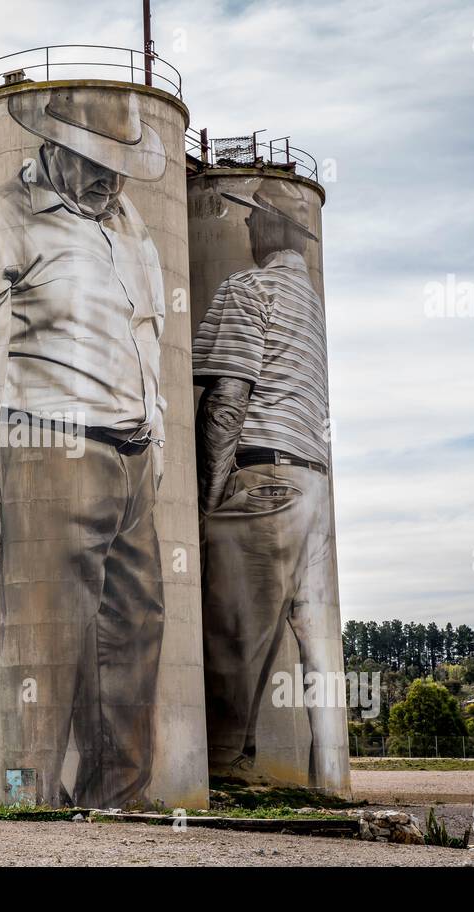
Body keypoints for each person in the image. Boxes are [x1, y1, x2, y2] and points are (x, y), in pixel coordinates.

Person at [0, 88, 169, 809]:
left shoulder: (127, 221)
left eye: (122, 164)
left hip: (132, 457)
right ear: (56, 146)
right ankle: (28, 812)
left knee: (134, 640)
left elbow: (147, 331)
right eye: (99, 162)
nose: (112, 178)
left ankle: (118, 810)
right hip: (49, 447)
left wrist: (159, 435)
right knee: (42, 656)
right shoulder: (5, 218)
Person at [193, 184, 348, 793]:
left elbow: (228, 396)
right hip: (315, 482)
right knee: (315, 638)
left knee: (232, 624)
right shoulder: (310, 302)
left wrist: (210, 496)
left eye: (254, 214)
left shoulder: (246, 288)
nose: (248, 224)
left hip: (267, 475)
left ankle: (220, 766)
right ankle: (329, 778)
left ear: (269, 226)